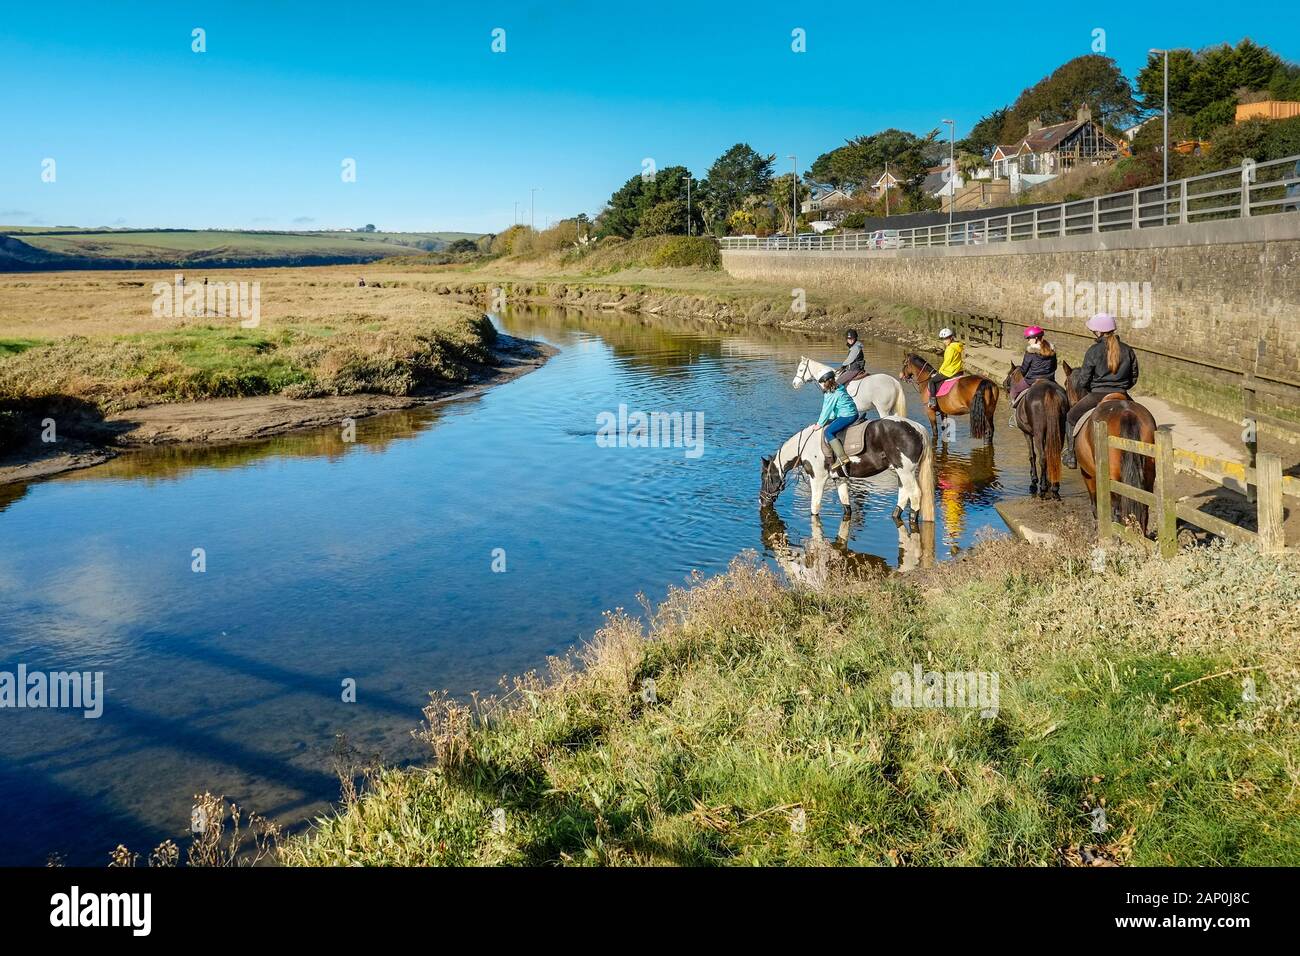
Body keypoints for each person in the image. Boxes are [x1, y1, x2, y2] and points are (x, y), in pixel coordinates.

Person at [1062, 313, 1140, 468]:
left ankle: (1071, 455)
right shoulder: (1128, 350)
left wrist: (1090, 388)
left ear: (1099, 332)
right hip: (1122, 394)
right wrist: (1122, 387)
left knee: (1071, 416)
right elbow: (1134, 376)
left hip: (1097, 394)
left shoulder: (1093, 350)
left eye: (1094, 331)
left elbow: (1084, 379)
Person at [1008, 326, 1057, 424]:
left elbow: (1024, 369)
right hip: (1049, 380)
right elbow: (1054, 366)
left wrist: (1021, 372)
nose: (1028, 341)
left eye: (1029, 338)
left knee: (1014, 390)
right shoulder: (1051, 350)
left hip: (1032, 380)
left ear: (1035, 338)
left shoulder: (1030, 352)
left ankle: (1014, 417)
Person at [815, 369, 859, 472]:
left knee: (828, 432)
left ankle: (842, 457)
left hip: (847, 416)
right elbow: (835, 409)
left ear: (825, 382)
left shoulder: (831, 393)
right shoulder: (839, 387)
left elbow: (826, 410)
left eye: (821, 383)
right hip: (853, 413)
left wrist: (819, 424)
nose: (821, 385)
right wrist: (831, 419)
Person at [928, 328, 964, 410]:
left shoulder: (950, 348)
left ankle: (933, 401)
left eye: (946, 339)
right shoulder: (958, 346)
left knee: (932, 381)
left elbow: (947, 362)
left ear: (951, 337)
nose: (944, 341)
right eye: (943, 339)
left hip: (950, 372)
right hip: (959, 371)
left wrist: (939, 371)